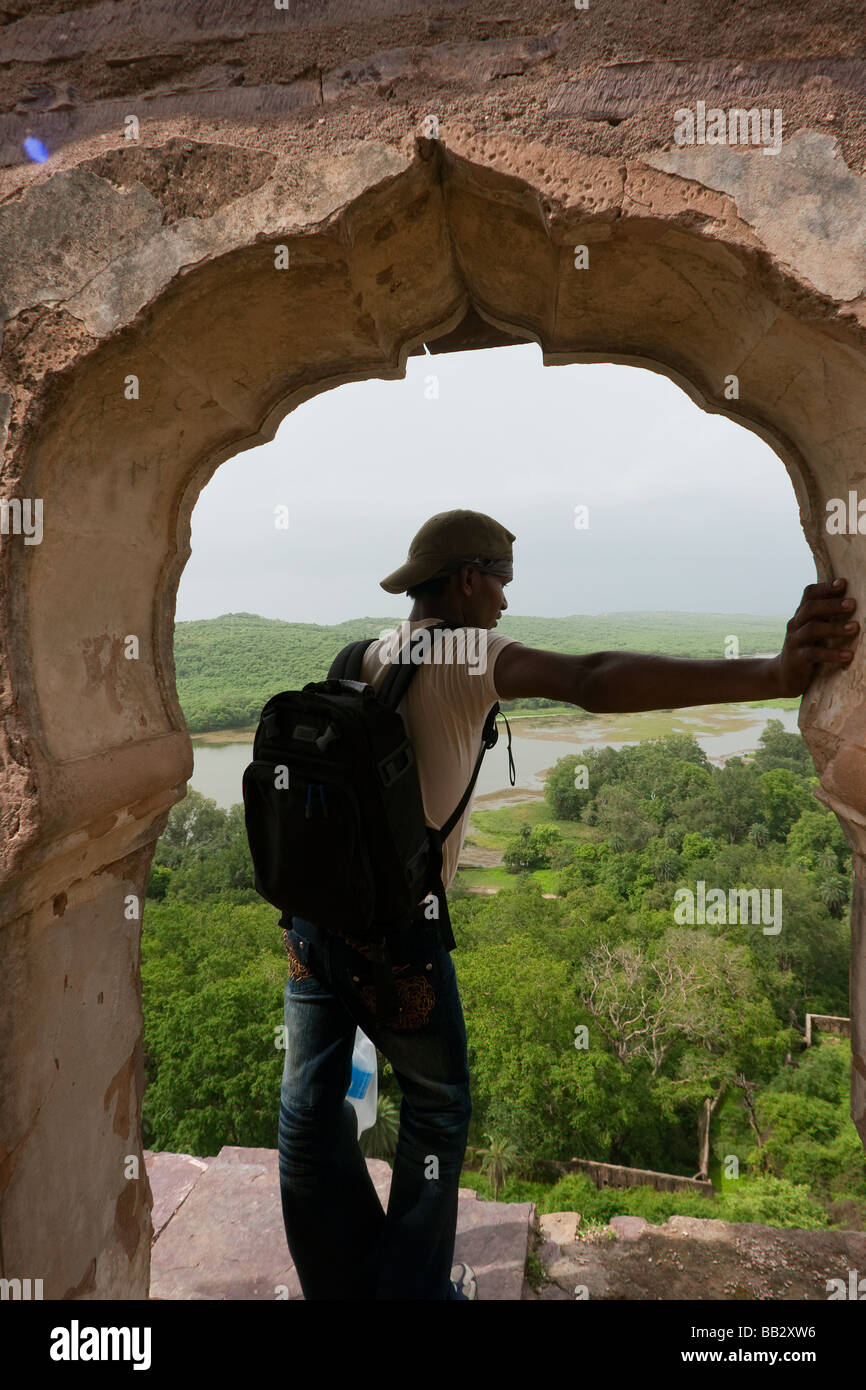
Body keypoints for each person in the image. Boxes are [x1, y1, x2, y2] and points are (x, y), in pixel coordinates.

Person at [277, 507, 859, 1301]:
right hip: (392, 934)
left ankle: (342, 1285)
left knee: (308, 1109)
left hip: (311, 923)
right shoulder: (466, 651)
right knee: (439, 1109)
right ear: (471, 580)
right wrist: (772, 674)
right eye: (503, 583)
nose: (507, 603)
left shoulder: (361, 653)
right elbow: (590, 679)